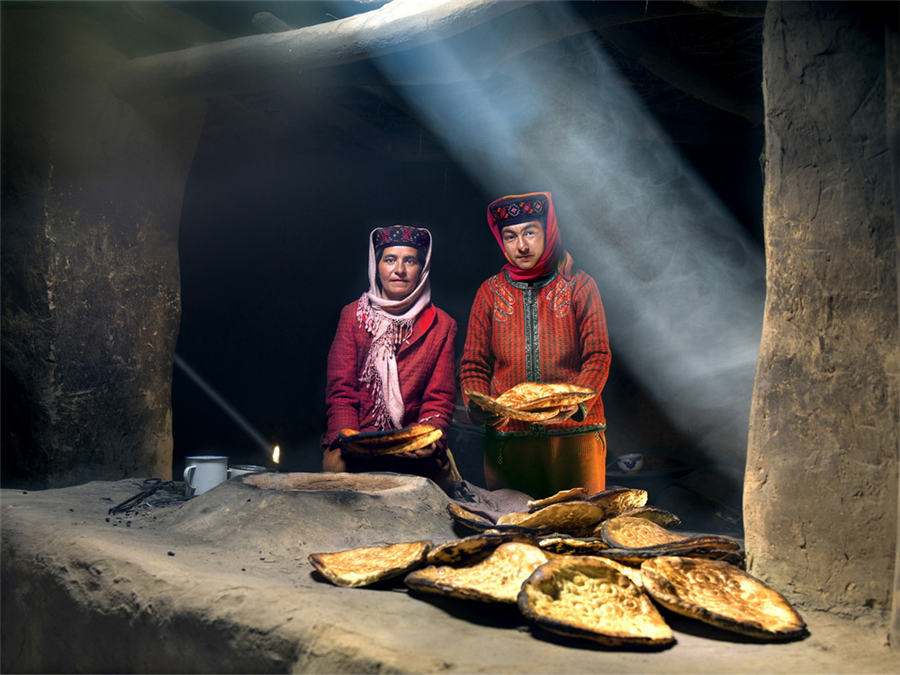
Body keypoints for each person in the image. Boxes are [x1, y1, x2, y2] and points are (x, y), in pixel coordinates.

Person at [459, 192, 611, 498]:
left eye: (530, 232)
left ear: (548, 231)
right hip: (508, 441)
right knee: (513, 522)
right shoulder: (489, 292)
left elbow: (598, 355)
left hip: (574, 438)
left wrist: (577, 401)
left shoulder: (579, 285)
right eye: (511, 236)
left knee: (583, 519)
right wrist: (481, 406)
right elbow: (474, 364)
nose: (522, 246)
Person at [322, 225, 457, 491]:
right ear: (377, 265)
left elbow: (439, 400)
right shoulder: (352, 316)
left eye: (410, 261)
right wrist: (350, 441)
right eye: (390, 259)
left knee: (436, 483)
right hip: (357, 438)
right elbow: (341, 392)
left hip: (411, 443)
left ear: (422, 268)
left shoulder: (442, 325)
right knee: (336, 474)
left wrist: (428, 441)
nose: (400, 270)